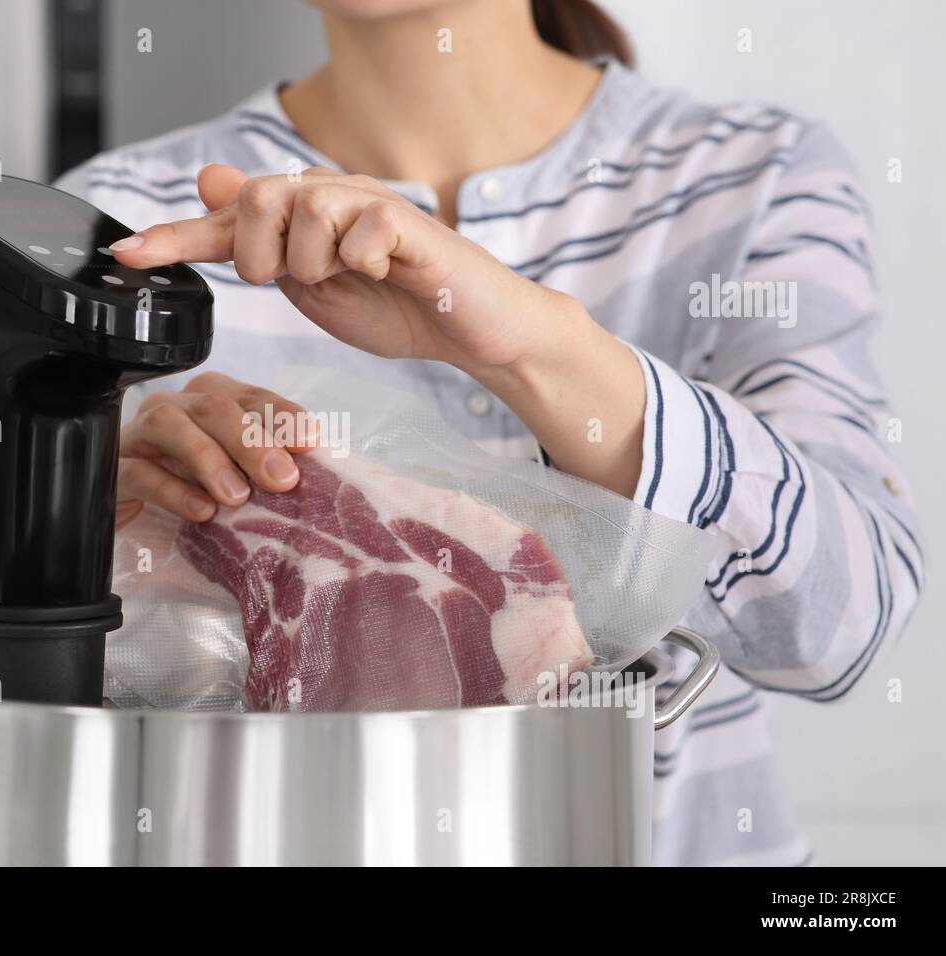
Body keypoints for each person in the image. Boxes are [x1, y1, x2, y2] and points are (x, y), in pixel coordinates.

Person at [56, 0, 921, 865]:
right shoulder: (125, 227)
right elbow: (21, 706)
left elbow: (846, 628)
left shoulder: (756, 175)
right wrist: (82, 530)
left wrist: (538, 348)